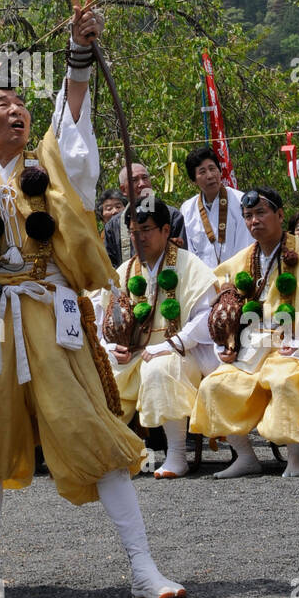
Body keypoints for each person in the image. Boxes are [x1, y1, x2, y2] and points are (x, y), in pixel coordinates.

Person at [0, 0, 185, 598]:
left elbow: (73, 119)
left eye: (20, 102)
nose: (16, 108)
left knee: (91, 429)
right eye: (0, 103)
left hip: (51, 316)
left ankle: (142, 567)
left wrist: (80, 55)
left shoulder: (49, 166)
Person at [189, 187, 299, 478]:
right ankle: (246, 456)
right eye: (248, 216)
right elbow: (220, 307)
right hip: (250, 347)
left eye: (261, 213)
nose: (254, 221)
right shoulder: (241, 260)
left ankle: (295, 457)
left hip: (292, 345)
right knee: (214, 385)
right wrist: (225, 344)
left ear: (280, 215)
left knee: (284, 379)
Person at [100, 198, 217, 478]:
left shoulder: (191, 265)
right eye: (133, 232)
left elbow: (205, 316)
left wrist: (172, 345)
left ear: (166, 230)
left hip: (181, 351)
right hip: (134, 354)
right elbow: (103, 318)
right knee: (98, 377)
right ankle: (116, 453)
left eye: (146, 230)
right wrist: (111, 346)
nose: (139, 238)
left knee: (161, 368)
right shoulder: (124, 271)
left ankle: (176, 454)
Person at [179, 146, 253, 269]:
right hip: (202, 282)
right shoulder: (187, 209)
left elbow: (245, 245)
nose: (210, 175)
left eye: (212, 169)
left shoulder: (240, 201)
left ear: (220, 171)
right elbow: (189, 253)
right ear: (194, 180)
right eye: (202, 172)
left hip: (235, 277)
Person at [104, 163, 184, 267]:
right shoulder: (113, 225)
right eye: (134, 180)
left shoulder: (172, 215)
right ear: (123, 189)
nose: (142, 184)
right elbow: (110, 266)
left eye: (145, 178)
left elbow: (180, 254)